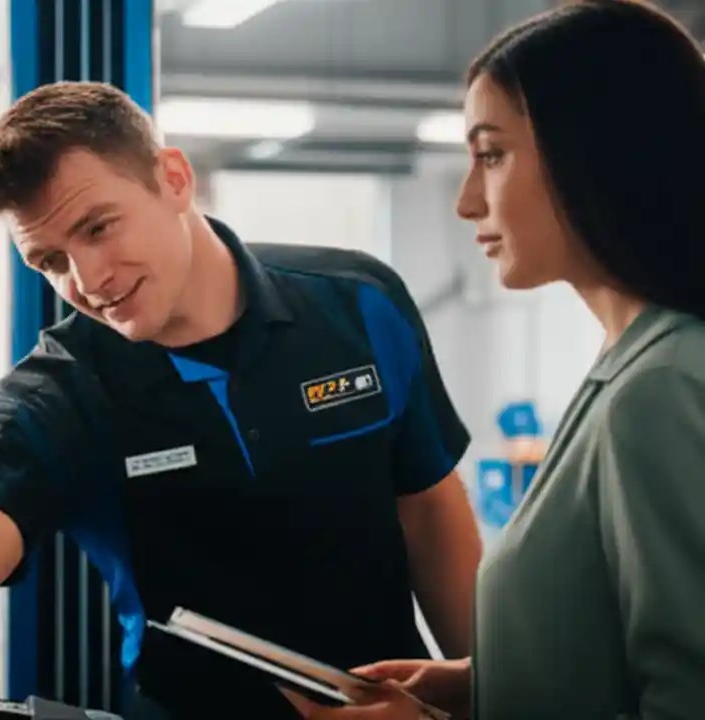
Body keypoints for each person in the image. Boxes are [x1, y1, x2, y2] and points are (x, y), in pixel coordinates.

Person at [0, 80, 483, 719]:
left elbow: (428, 507)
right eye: (51, 261)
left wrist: (494, 688)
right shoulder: (61, 392)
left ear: (173, 180)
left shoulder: (359, 304)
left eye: (99, 227)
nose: (89, 279)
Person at [282, 1, 705, 718]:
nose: (467, 201)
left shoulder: (663, 386)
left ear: (593, 153)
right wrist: (479, 683)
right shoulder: (631, 365)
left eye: (492, 154)